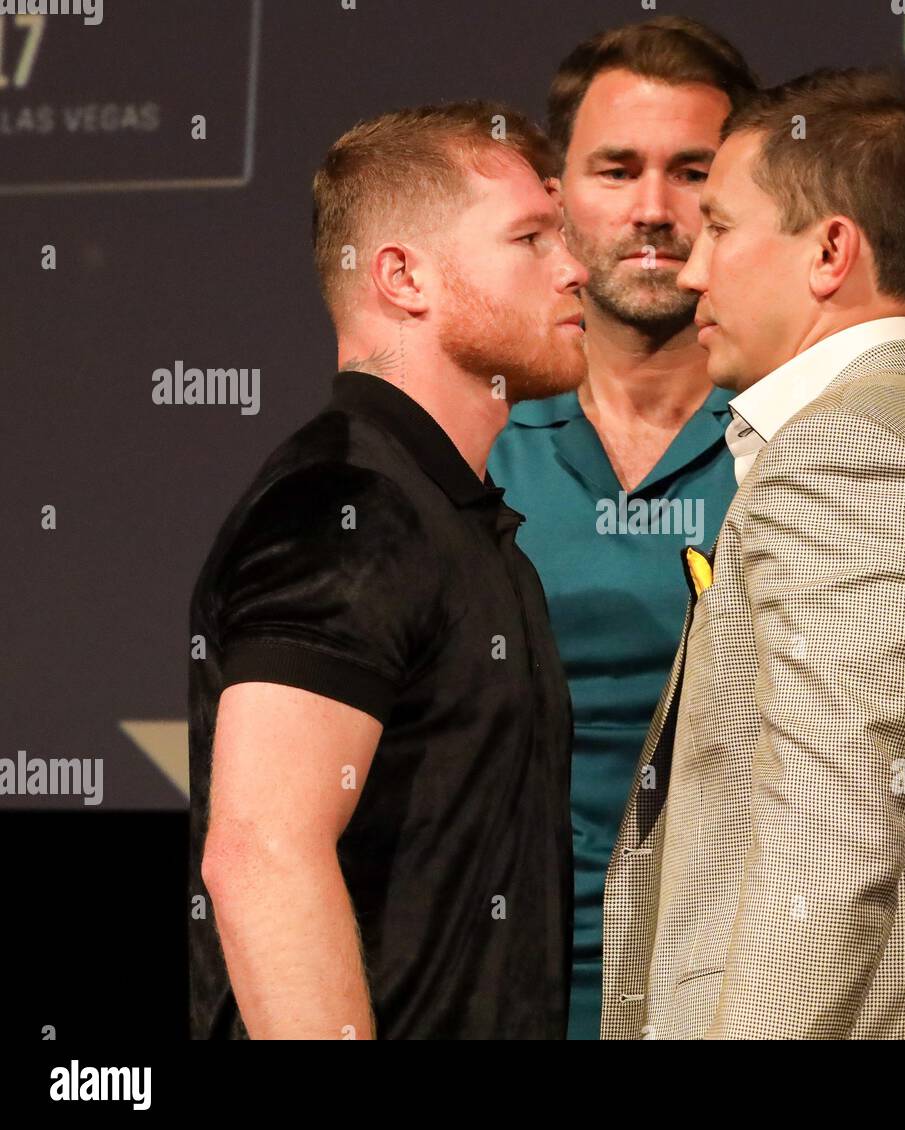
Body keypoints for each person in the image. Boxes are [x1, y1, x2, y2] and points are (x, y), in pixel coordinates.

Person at [602, 68, 905, 1039]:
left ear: (829, 251)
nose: (691, 270)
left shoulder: (851, 451)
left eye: (722, 228)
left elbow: (829, 842)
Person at [189, 101, 588, 1039]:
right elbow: (260, 854)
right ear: (403, 278)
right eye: (530, 237)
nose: (575, 268)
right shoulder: (349, 507)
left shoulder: (460, 522)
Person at [487, 16, 758, 1039]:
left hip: (735, 1008)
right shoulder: (470, 449)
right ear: (556, 196)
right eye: (615, 168)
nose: (652, 209)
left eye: (692, 171)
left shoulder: (800, 451)